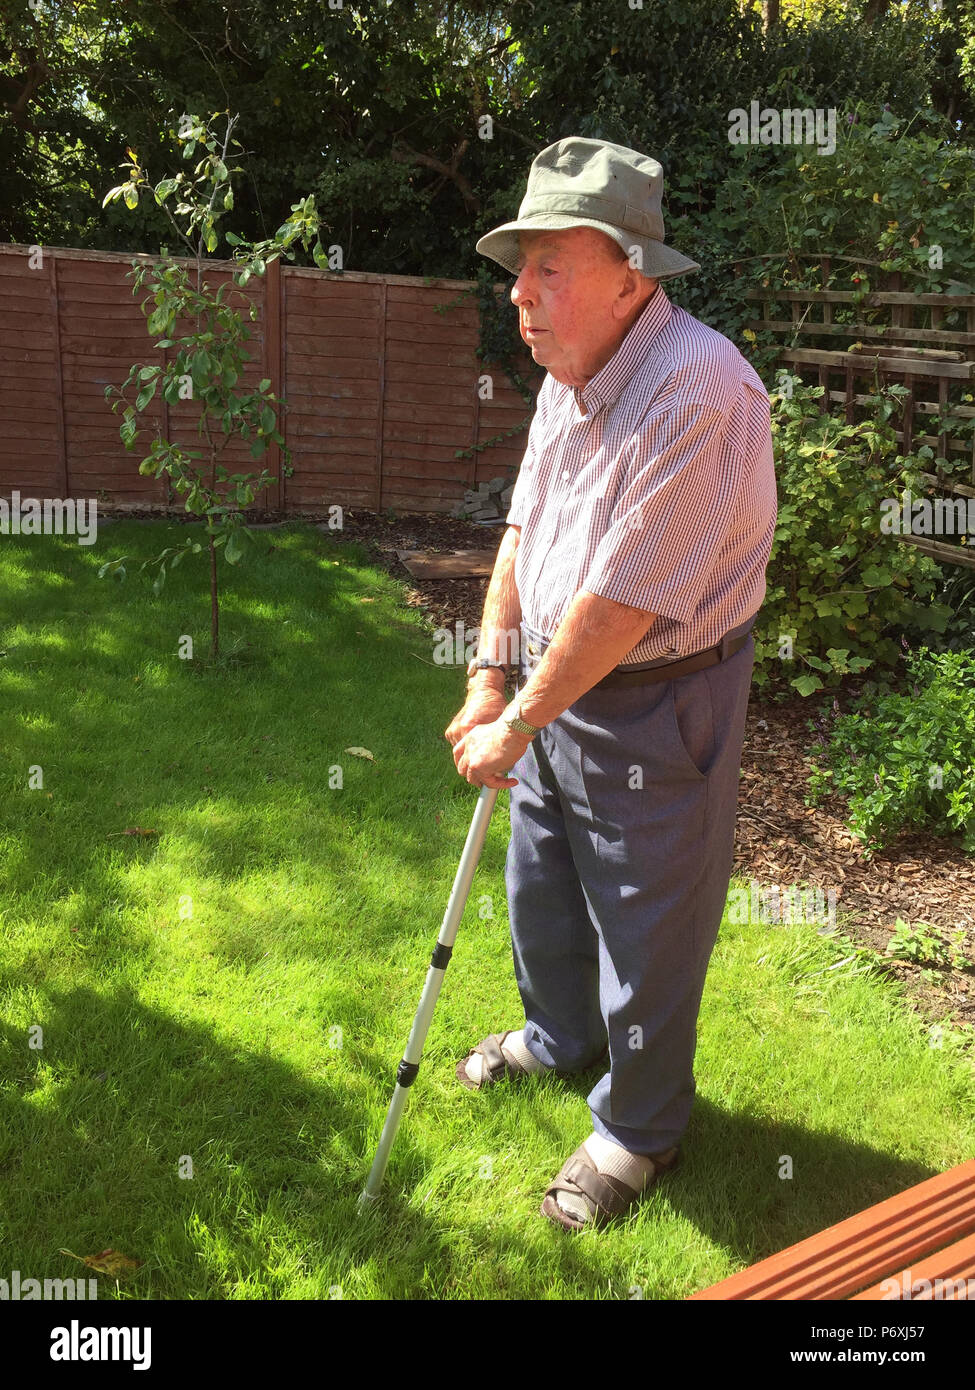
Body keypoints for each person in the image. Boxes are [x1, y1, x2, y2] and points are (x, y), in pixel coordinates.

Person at [444, 138, 777, 1232]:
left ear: (632, 273)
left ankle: (639, 1130)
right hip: (558, 679)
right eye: (517, 267)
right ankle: (557, 1036)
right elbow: (525, 532)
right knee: (543, 883)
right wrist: (492, 680)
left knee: (646, 919)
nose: (522, 294)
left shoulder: (700, 394)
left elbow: (622, 605)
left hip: (658, 694)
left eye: (549, 266)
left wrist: (520, 710)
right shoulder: (567, 375)